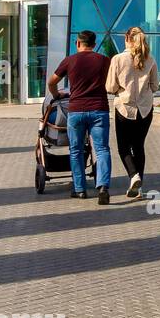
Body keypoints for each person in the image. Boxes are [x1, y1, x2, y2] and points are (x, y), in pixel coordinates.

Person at [49, 31, 111, 204]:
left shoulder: (70, 60)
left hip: (75, 111)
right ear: (94, 43)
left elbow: (51, 81)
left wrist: (57, 96)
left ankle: (80, 189)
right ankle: (103, 187)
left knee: (75, 150)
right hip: (99, 109)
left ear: (77, 43)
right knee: (102, 149)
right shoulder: (104, 60)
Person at [105, 26, 159, 199]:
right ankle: (139, 187)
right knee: (139, 146)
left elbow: (110, 87)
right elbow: (155, 86)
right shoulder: (150, 59)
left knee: (123, 147)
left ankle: (133, 176)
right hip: (145, 109)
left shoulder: (118, 59)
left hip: (124, 109)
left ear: (127, 38)